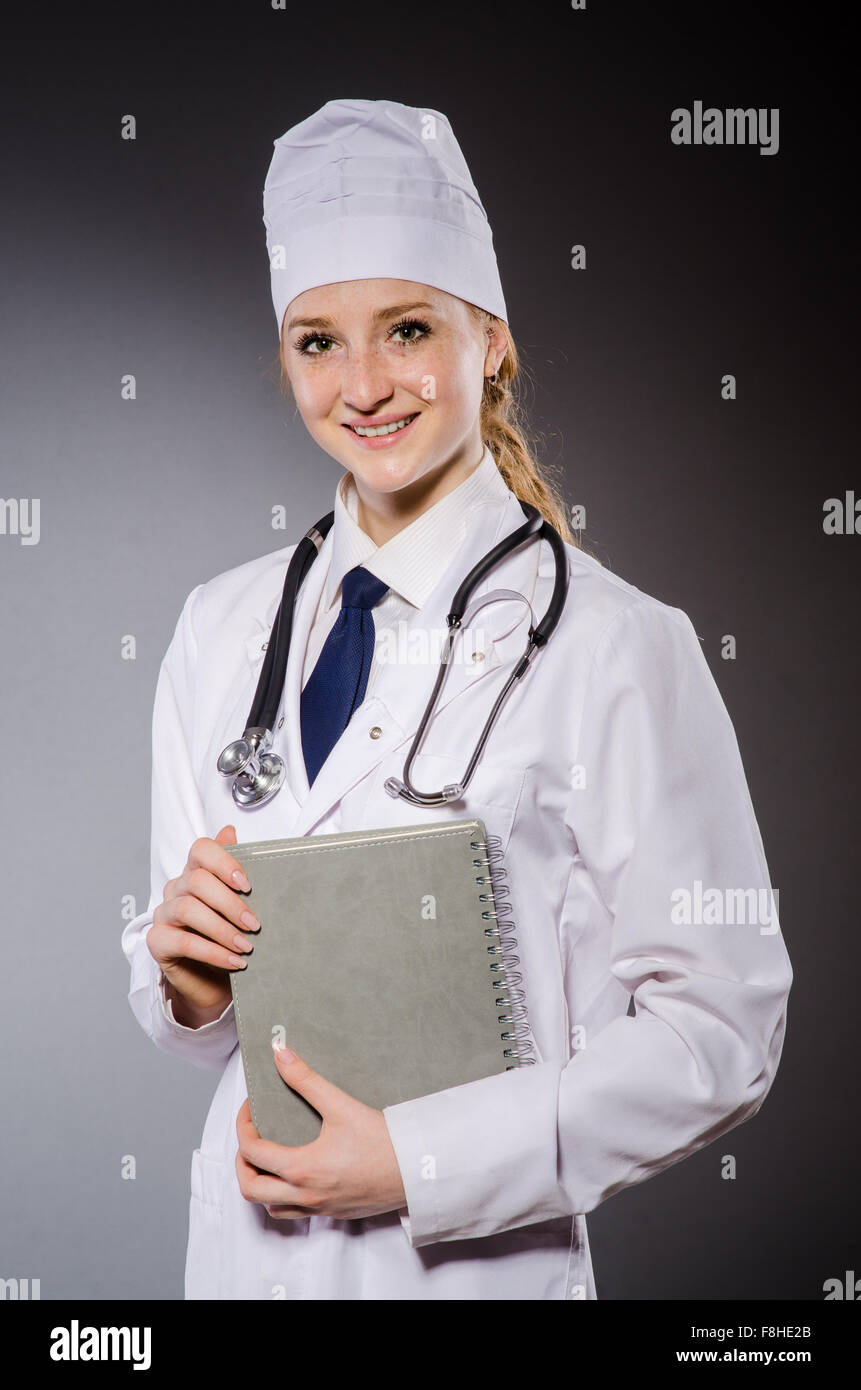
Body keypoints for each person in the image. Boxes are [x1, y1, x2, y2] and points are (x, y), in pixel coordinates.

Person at [121, 98, 793, 1301]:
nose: (365, 383)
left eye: (408, 329)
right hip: (242, 1265)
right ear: (283, 357)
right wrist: (182, 977)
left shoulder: (616, 644)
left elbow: (721, 1036)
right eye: (318, 340)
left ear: (491, 339)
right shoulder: (219, 631)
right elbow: (203, 1006)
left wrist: (420, 1163)